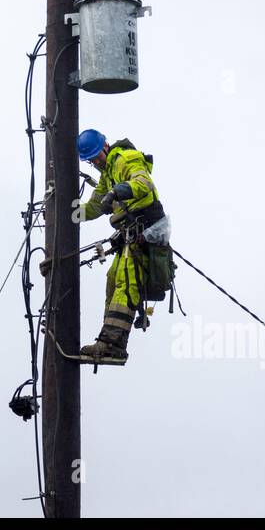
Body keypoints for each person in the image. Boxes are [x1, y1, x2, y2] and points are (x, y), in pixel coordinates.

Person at [74, 128, 176, 363]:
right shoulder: (106, 174)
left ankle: (113, 344)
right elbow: (95, 207)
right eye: (91, 160)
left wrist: (118, 191)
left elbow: (143, 183)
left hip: (146, 232)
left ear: (105, 146)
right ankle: (106, 339)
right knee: (113, 280)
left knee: (126, 283)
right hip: (130, 235)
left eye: (97, 155)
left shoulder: (124, 158)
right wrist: (66, 213)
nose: (96, 161)